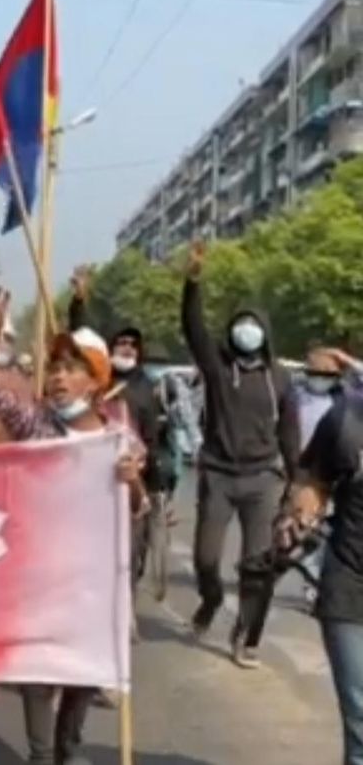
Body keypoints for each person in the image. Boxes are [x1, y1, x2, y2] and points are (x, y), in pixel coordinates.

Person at [0, 290, 145, 765]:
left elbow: (136, 508)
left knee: (81, 674)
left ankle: (66, 745)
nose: (58, 378)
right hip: (38, 576)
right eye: (55, 368)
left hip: (92, 582)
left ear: (95, 380)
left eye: (71, 369)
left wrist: (131, 482)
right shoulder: (37, 426)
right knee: (37, 671)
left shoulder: (120, 438)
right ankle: (41, 753)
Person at [180, 239, 301, 667]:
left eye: (253, 324)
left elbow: (289, 434)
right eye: (240, 323)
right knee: (207, 558)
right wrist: (192, 282)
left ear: (264, 333)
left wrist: (296, 486)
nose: (245, 330)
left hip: (262, 480)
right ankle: (210, 601)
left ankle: (245, 634)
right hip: (217, 474)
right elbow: (194, 330)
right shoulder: (217, 368)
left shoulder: (281, 379)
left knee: (257, 565)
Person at [69, 269, 166, 585]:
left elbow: (154, 439)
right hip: (95, 481)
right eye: (121, 342)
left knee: (129, 560)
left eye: (132, 345)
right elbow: (78, 341)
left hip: (134, 483)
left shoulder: (147, 389)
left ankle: (124, 617)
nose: (126, 348)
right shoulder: (97, 383)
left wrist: (156, 484)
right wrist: (80, 300)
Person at [285, 393, 363, 765]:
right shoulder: (347, 418)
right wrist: (301, 513)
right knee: (361, 718)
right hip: (349, 582)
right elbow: (315, 480)